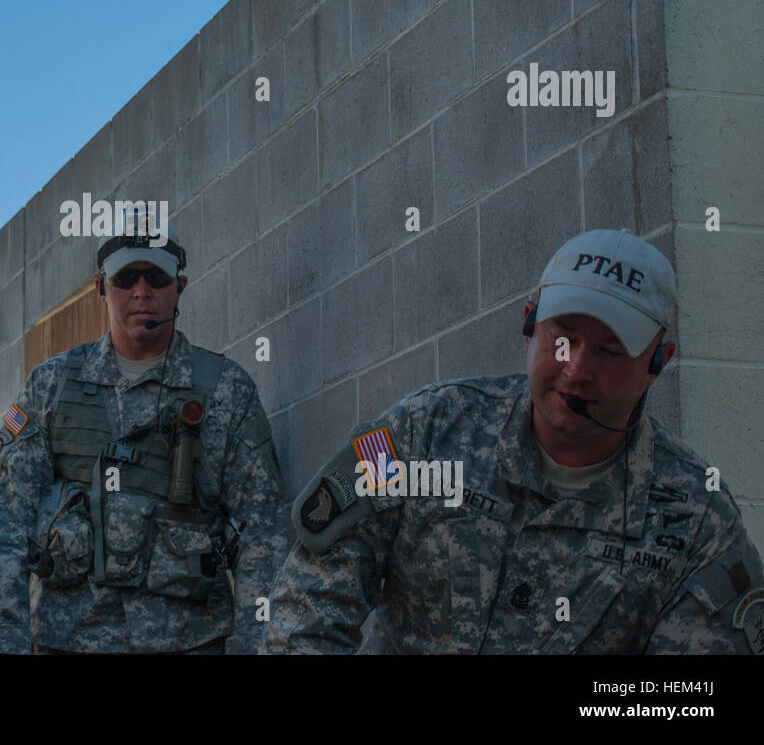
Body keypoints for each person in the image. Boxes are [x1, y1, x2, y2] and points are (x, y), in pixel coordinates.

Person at [264, 228, 763, 655]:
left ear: (659, 361)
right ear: (529, 324)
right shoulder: (423, 431)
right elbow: (307, 607)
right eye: (562, 338)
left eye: (610, 352)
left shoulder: (696, 523)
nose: (577, 370)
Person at [0, 219, 287, 654]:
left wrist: (255, 647)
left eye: (156, 278)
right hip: (69, 642)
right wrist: (4, 647)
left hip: (192, 642)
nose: (142, 292)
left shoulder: (225, 390)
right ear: (101, 287)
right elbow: (4, 528)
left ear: (179, 286)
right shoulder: (51, 386)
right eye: (126, 279)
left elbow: (263, 537)